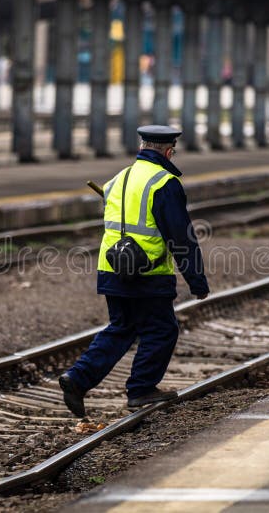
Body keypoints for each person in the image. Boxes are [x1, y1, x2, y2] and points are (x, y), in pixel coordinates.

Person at [59, 125, 209, 417]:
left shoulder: (118, 179)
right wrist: (197, 280)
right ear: (168, 151)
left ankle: (77, 379)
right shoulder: (164, 182)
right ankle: (141, 389)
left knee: (122, 327)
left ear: (142, 147)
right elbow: (181, 237)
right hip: (147, 272)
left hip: (111, 268)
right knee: (161, 329)